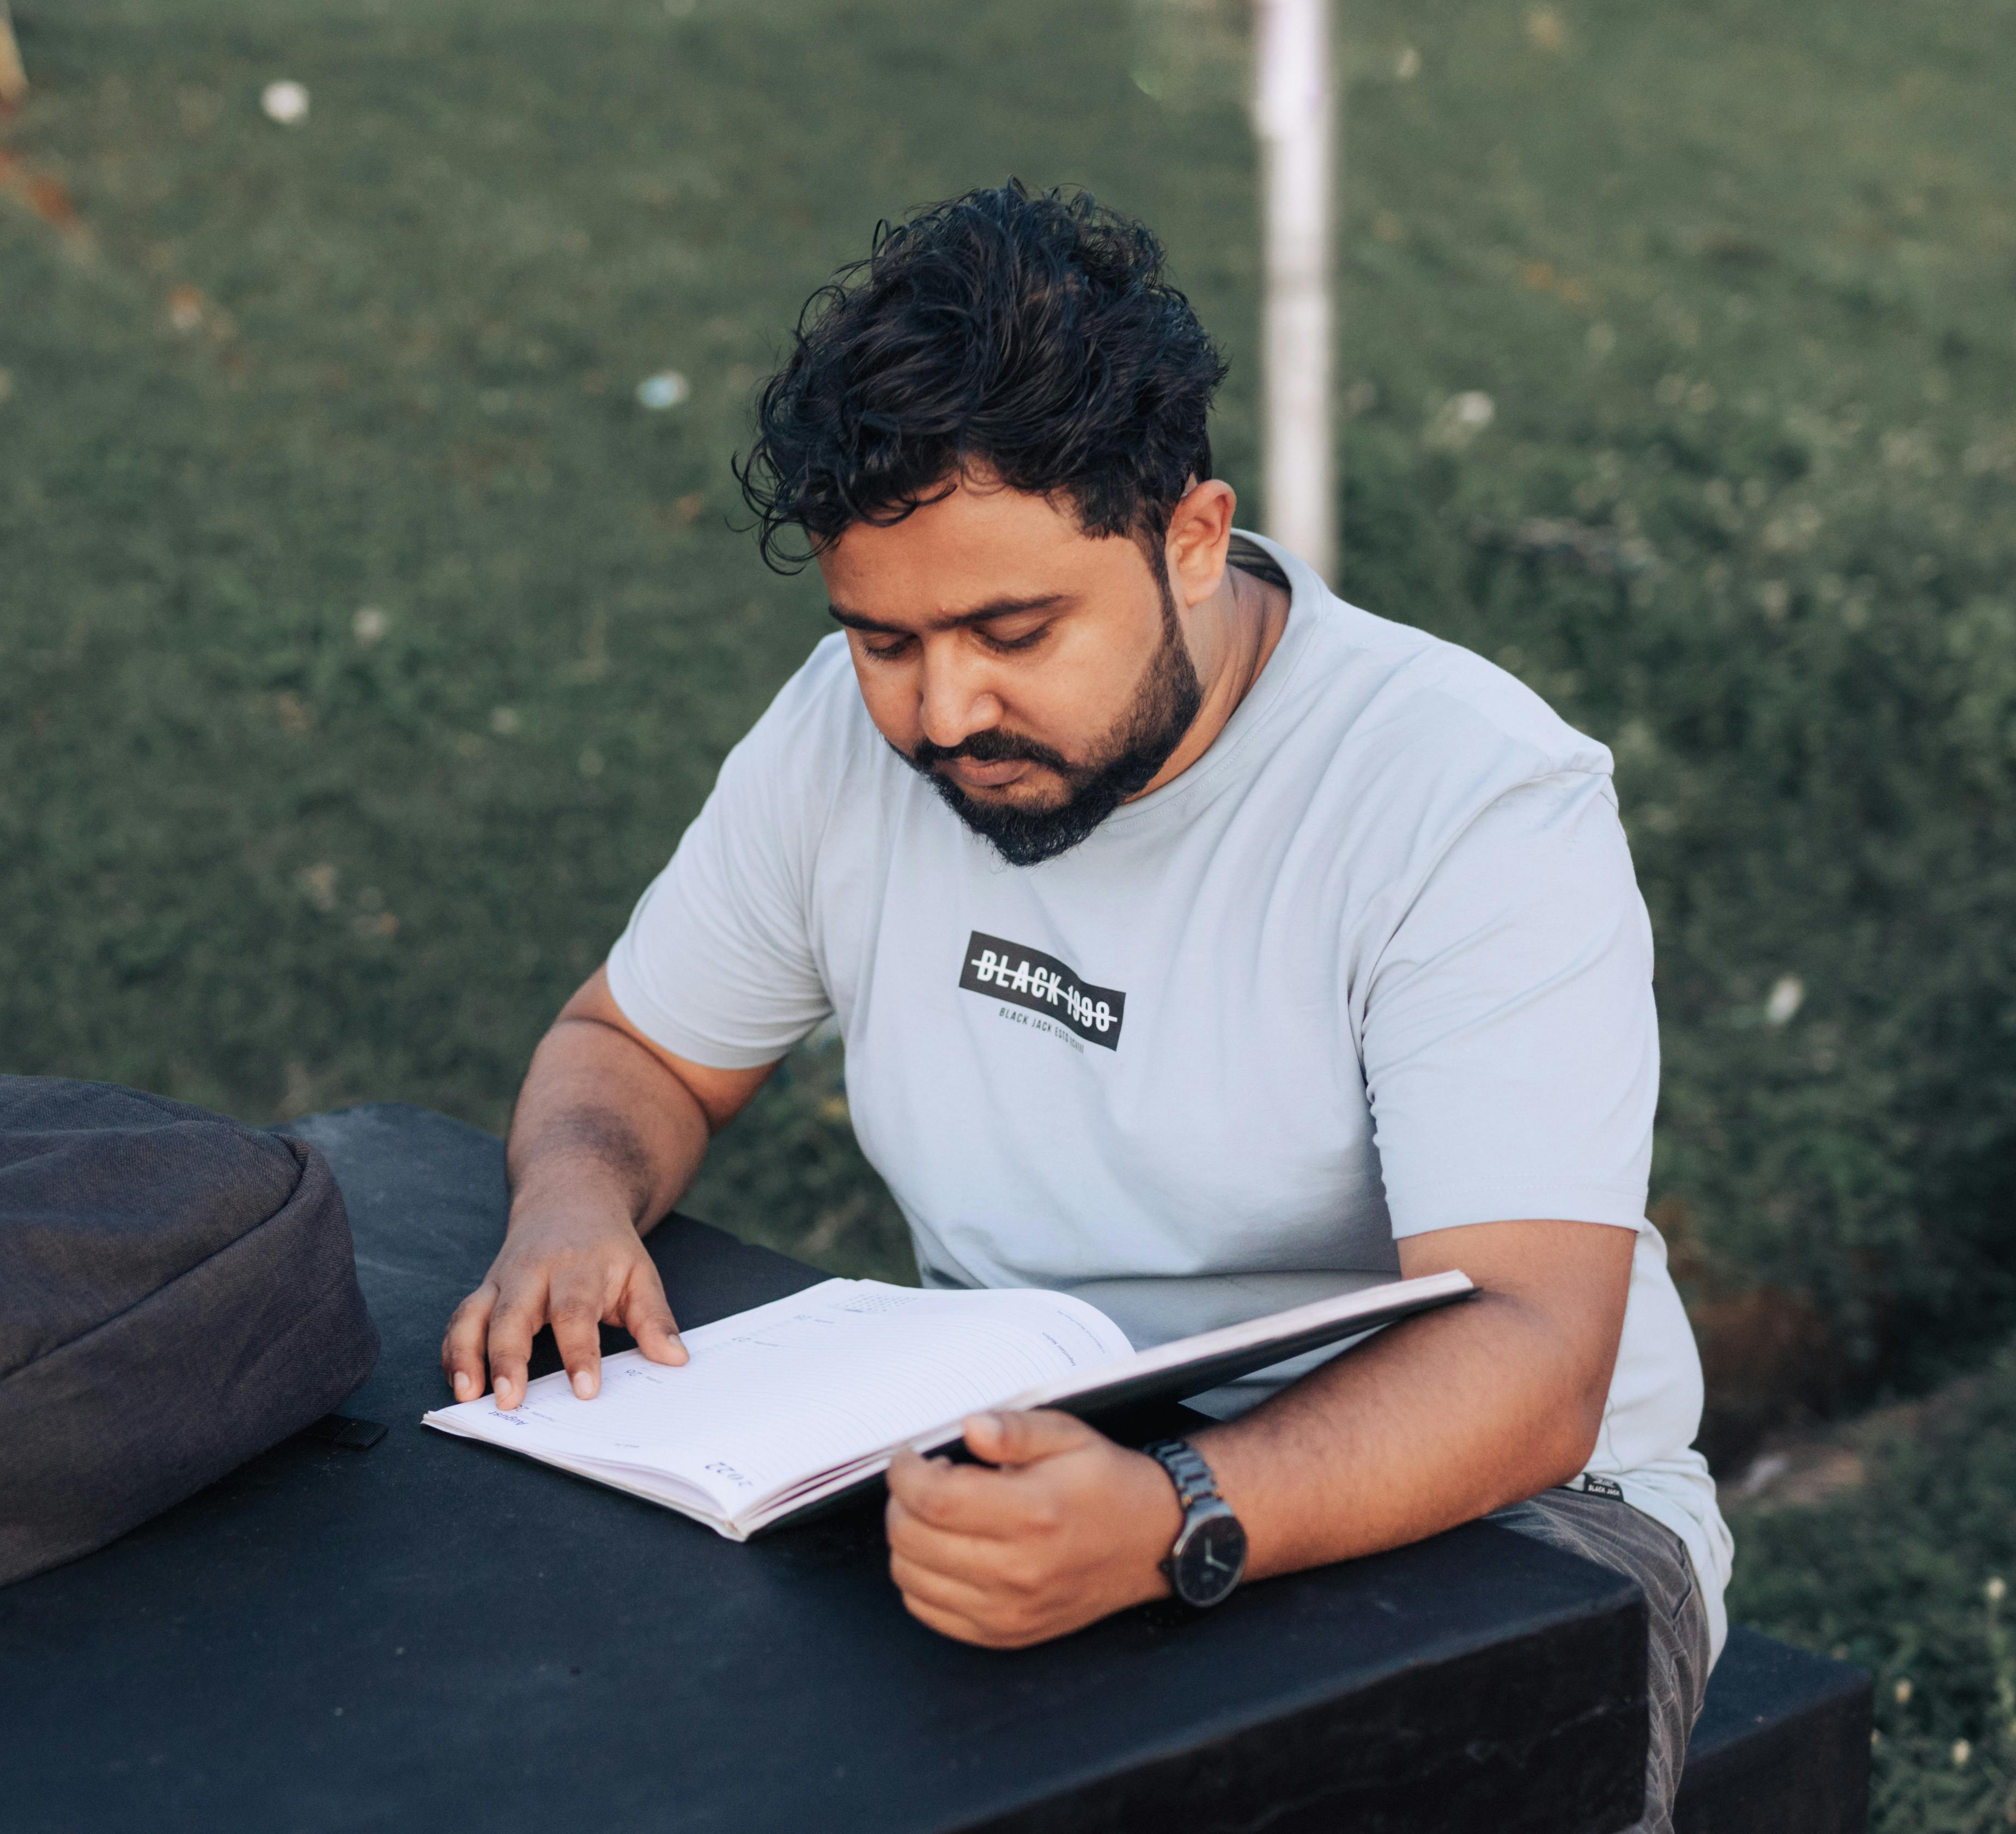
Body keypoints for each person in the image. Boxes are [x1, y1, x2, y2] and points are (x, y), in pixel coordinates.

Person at [438, 183, 1724, 1833]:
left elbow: (1539, 1353)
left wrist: (1181, 1509)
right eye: (883, 640)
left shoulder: (1467, 799)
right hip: (1029, 1456)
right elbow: (630, 1049)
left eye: (1013, 629)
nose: (943, 711)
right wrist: (569, 1196)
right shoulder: (849, 734)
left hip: (1518, 1519)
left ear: (1191, 538)